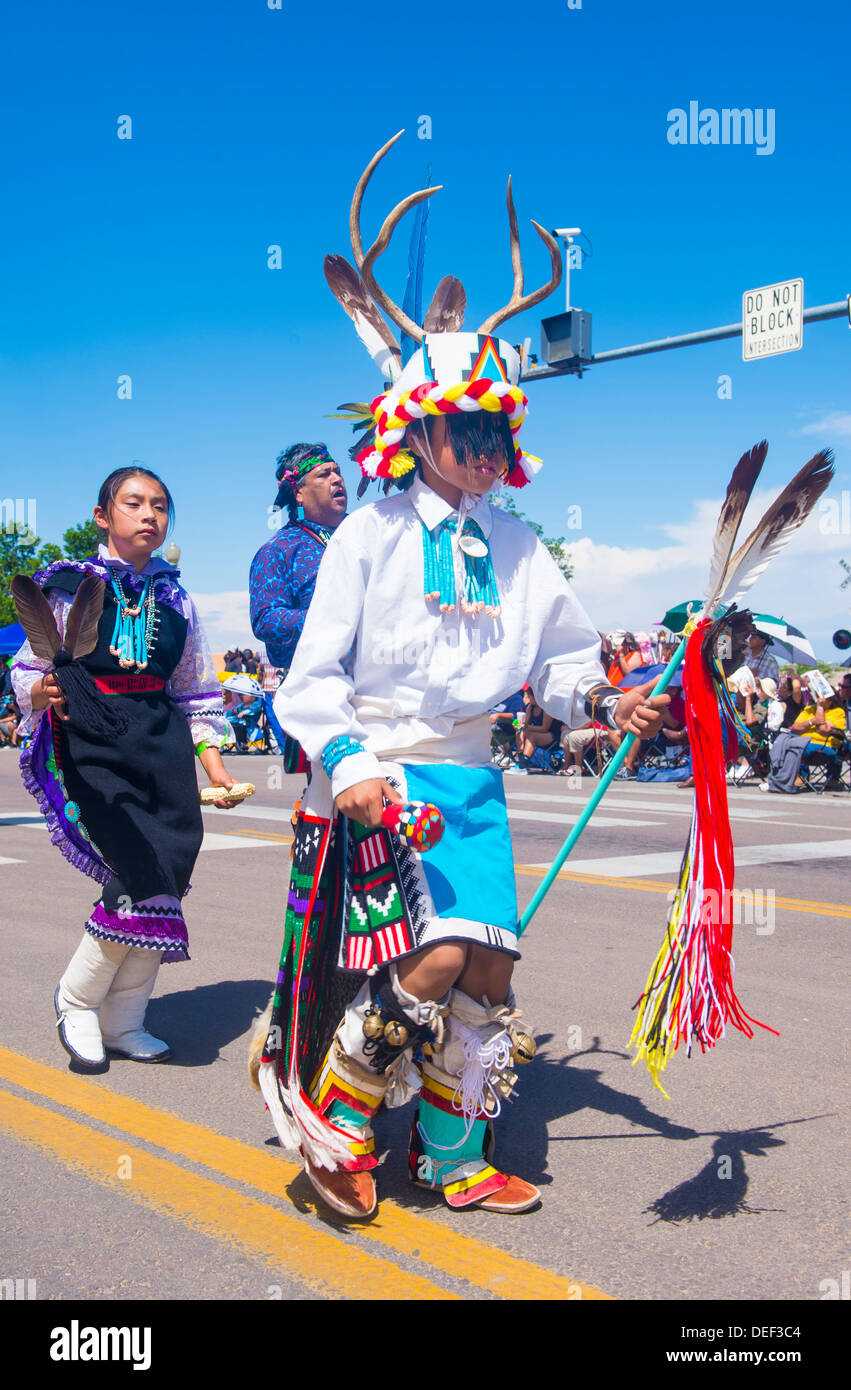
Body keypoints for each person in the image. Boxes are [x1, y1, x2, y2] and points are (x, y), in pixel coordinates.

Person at [251, 134, 669, 1221]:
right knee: (435, 958)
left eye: (497, 430)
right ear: (420, 428)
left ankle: (448, 1151)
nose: (481, 449)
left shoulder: (522, 548)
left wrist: (601, 699)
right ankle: (337, 1121)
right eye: (463, 429)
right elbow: (307, 677)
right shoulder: (369, 537)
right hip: (378, 781)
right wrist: (343, 760)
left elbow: (563, 661)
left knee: (489, 976)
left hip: (472, 786)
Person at [11, 467, 236, 1070]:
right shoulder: (68, 587)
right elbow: (28, 669)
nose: (149, 515)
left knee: (165, 874)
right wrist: (42, 693)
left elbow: (194, 689)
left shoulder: (176, 595)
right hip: (94, 743)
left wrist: (214, 770)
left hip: (159, 747)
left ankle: (124, 1021)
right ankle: (77, 1000)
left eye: (160, 505)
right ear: (102, 517)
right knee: (135, 870)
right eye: (133, 503)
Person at [249, 444, 348, 673]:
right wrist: (338, 620)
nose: (337, 479)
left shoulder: (366, 532)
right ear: (299, 493)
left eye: (338, 471)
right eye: (324, 474)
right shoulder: (278, 550)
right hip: (313, 685)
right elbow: (265, 619)